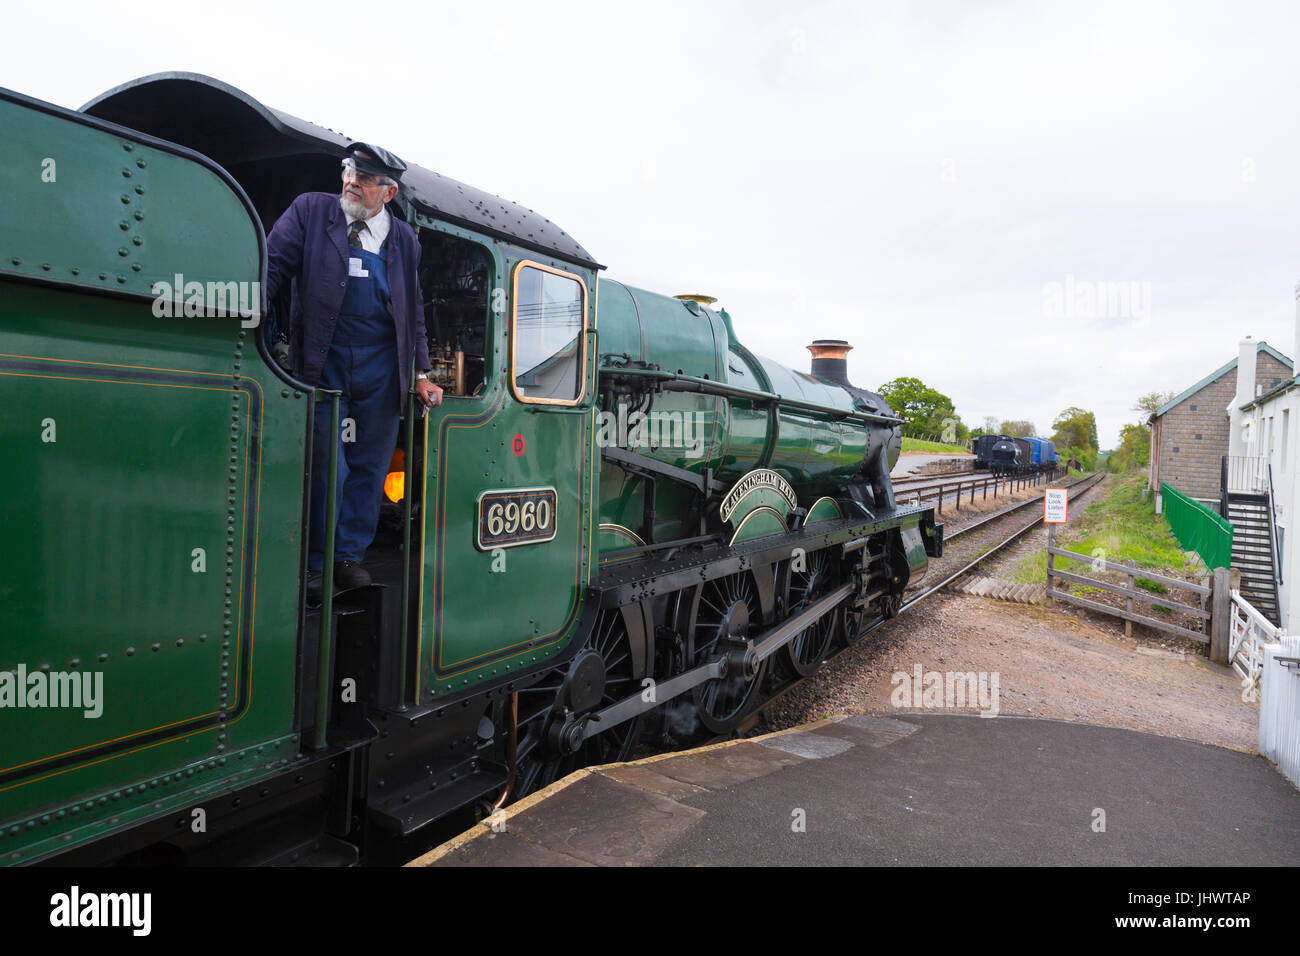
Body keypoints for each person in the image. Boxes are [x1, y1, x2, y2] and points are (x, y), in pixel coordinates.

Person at [266, 143, 443, 603]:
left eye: (363, 179)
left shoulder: (405, 240)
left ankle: (347, 557)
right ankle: (313, 563)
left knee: (368, 468)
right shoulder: (311, 212)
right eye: (348, 172)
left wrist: (421, 373)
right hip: (324, 360)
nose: (350, 182)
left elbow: (413, 310)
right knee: (330, 465)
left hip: (382, 366)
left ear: (387, 193)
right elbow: (271, 268)